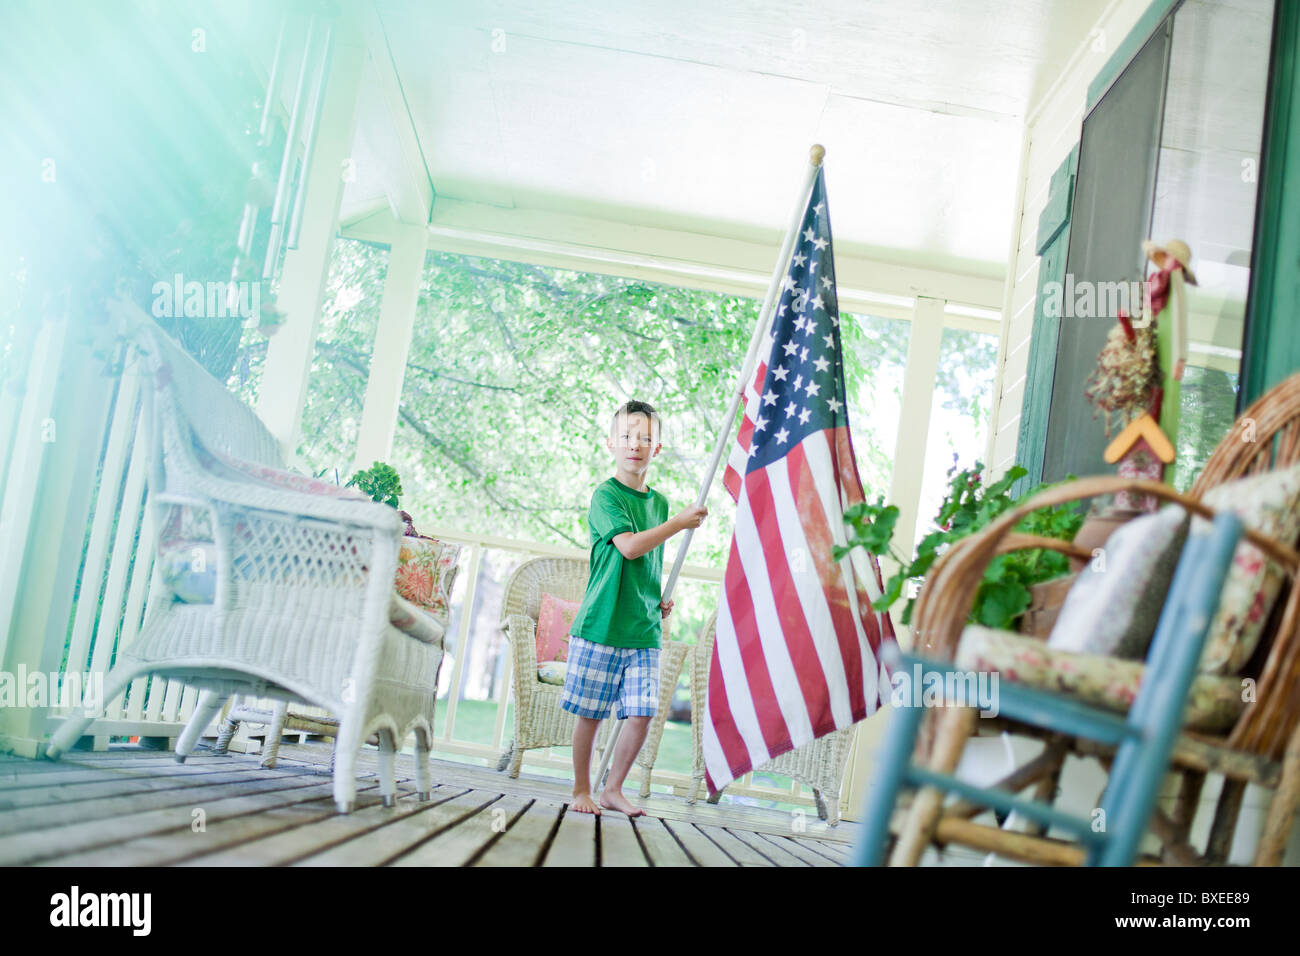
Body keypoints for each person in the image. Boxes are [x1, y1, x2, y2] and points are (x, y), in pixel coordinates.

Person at [561, 400, 707, 816]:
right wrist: (678, 524)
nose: (635, 445)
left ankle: (613, 788)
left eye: (645, 438)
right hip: (601, 626)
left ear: (656, 448)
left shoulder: (659, 504)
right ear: (611, 443)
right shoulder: (605, 495)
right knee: (589, 715)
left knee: (642, 713)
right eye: (627, 436)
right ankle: (580, 789)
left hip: (643, 629)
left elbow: (648, 561)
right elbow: (627, 547)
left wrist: (655, 598)